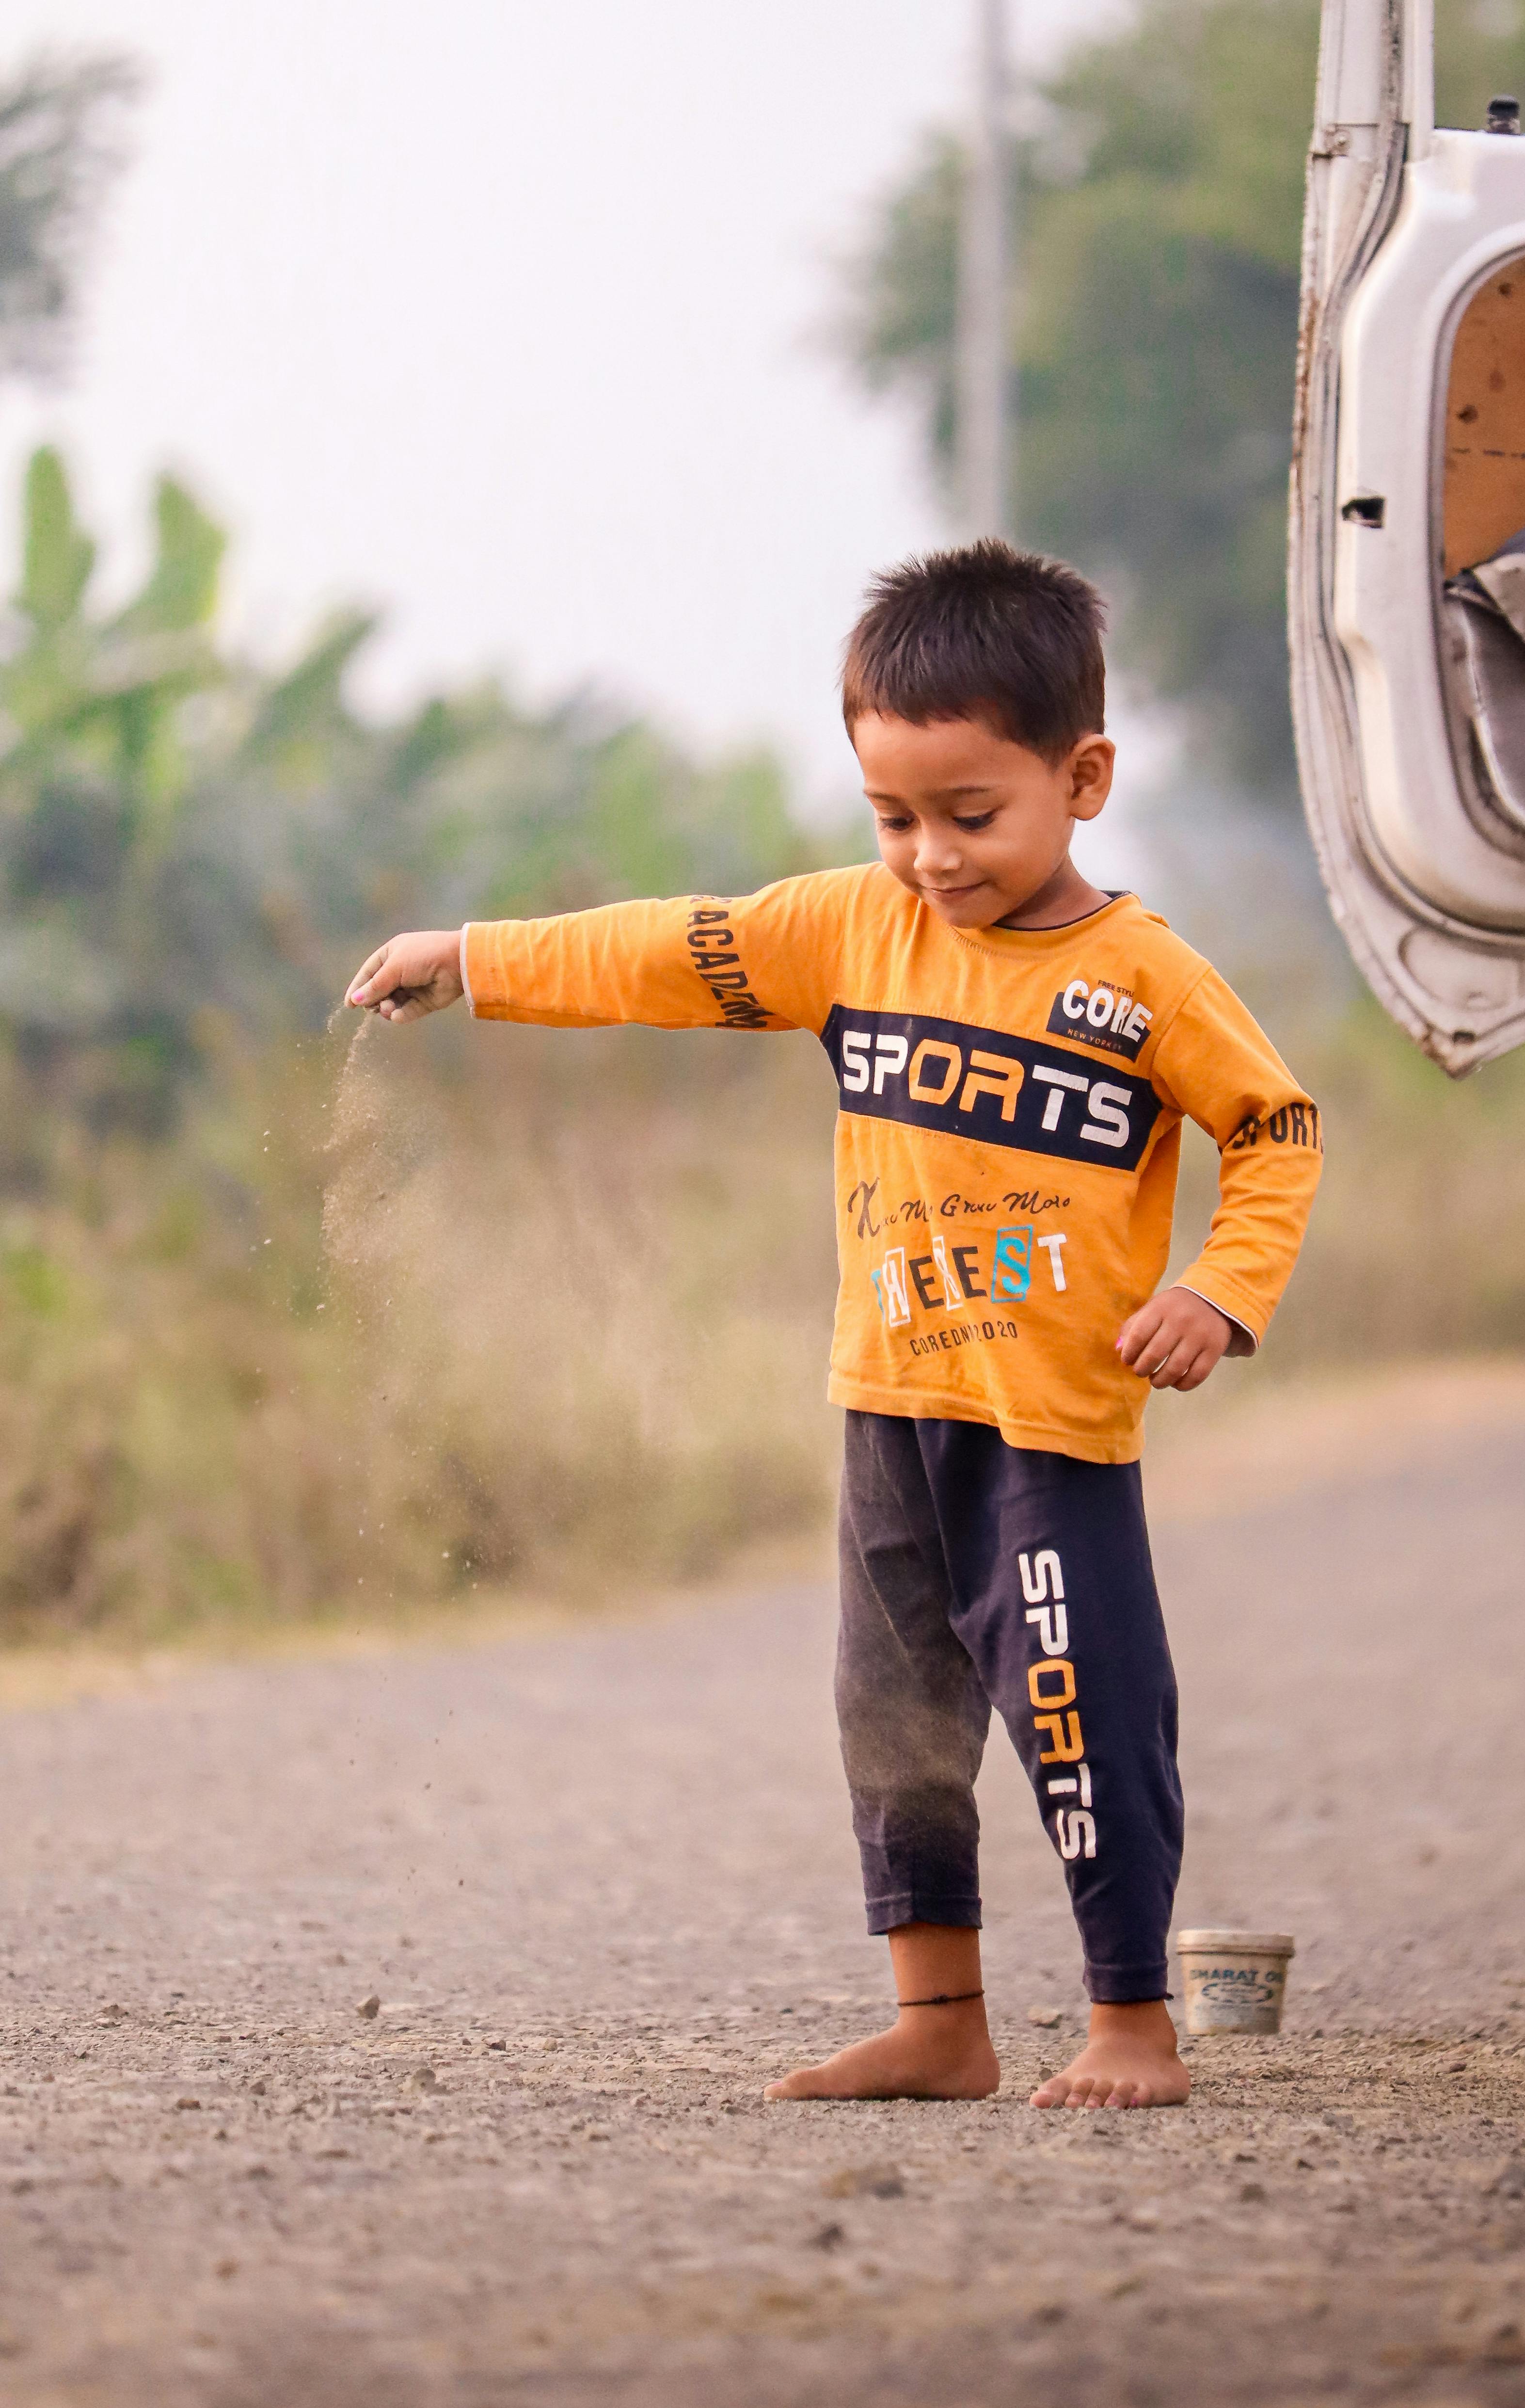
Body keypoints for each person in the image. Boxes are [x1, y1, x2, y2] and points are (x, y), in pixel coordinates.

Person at [346, 541, 1323, 2109]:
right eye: (893, 816)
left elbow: (1275, 1130)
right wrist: (474, 960)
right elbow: (660, 949)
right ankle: (941, 2021)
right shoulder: (850, 933)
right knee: (895, 1725)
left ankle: (1131, 2021)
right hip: (889, 1406)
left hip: (1049, 1428)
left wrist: (1220, 1289)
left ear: (1084, 778)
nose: (929, 856)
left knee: (1085, 1719)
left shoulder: (1144, 979)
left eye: (970, 814)